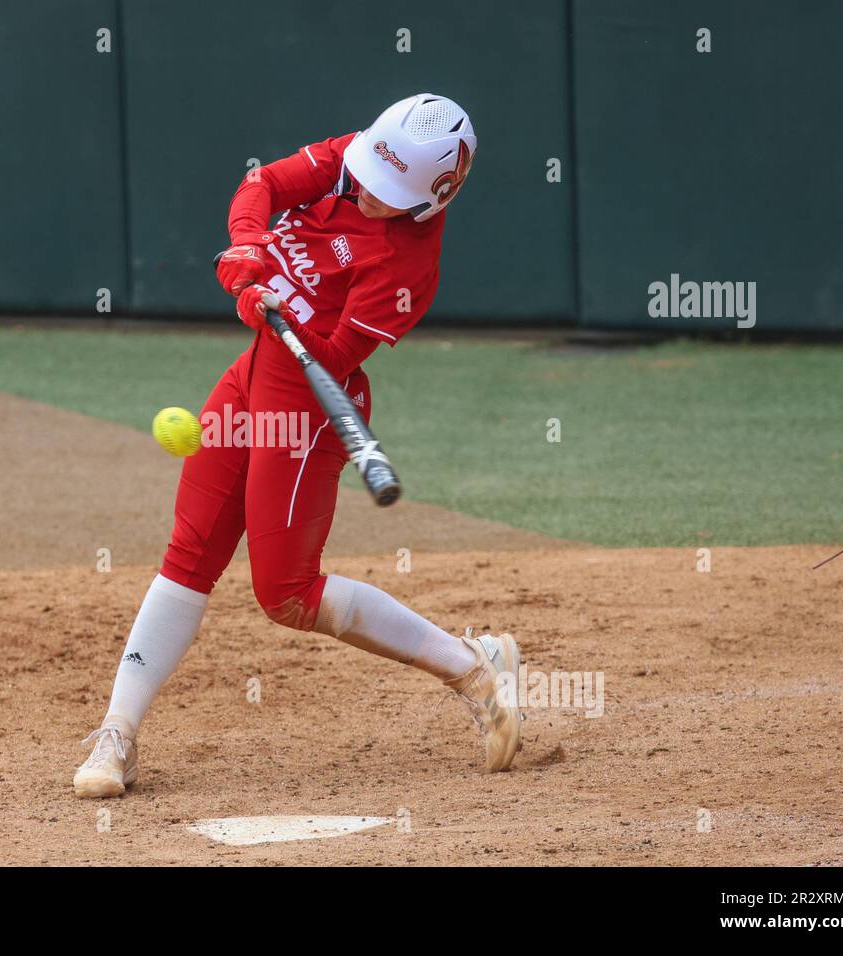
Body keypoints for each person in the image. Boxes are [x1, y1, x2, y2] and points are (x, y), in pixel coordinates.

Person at [74, 93, 522, 798]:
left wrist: (274, 305)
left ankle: (471, 666)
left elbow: (335, 358)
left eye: (389, 192)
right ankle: (117, 735)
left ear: (433, 198)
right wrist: (250, 251)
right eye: (371, 174)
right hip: (255, 371)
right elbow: (266, 185)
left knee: (285, 595)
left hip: (310, 403)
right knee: (189, 552)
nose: (369, 191)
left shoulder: (407, 271)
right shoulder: (363, 158)